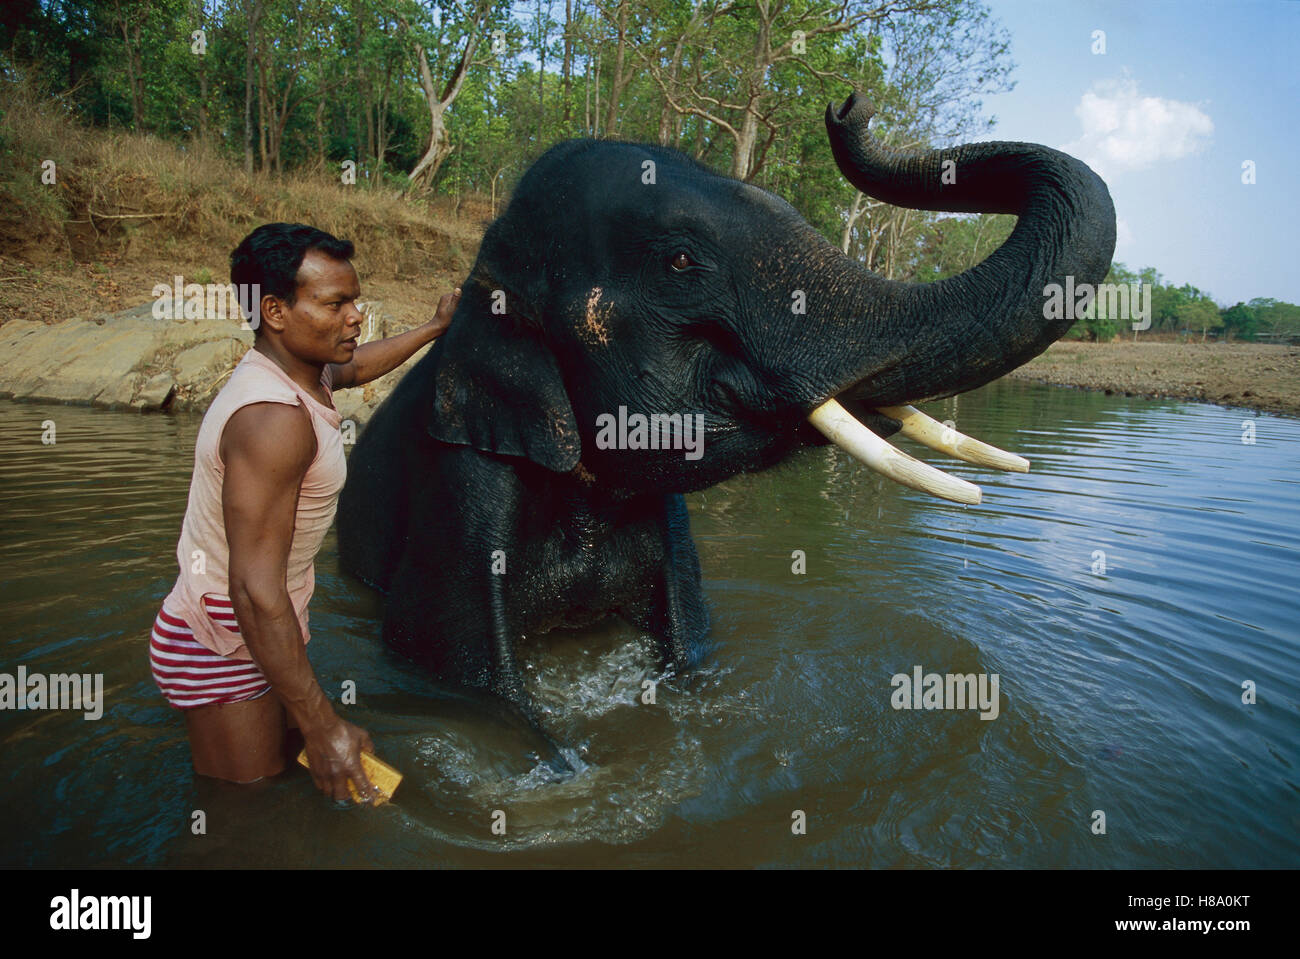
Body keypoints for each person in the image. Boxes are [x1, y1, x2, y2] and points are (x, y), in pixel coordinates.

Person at [149, 222, 460, 802]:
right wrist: (322, 724)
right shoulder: (273, 421)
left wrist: (434, 329)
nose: (355, 317)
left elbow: (356, 368)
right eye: (335, 303)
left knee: (304, 779)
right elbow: (253, 588)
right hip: (223, 643)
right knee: (248, 813)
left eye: (355, 300)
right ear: (275, 310)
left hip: (254, 630)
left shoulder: (303, 374)